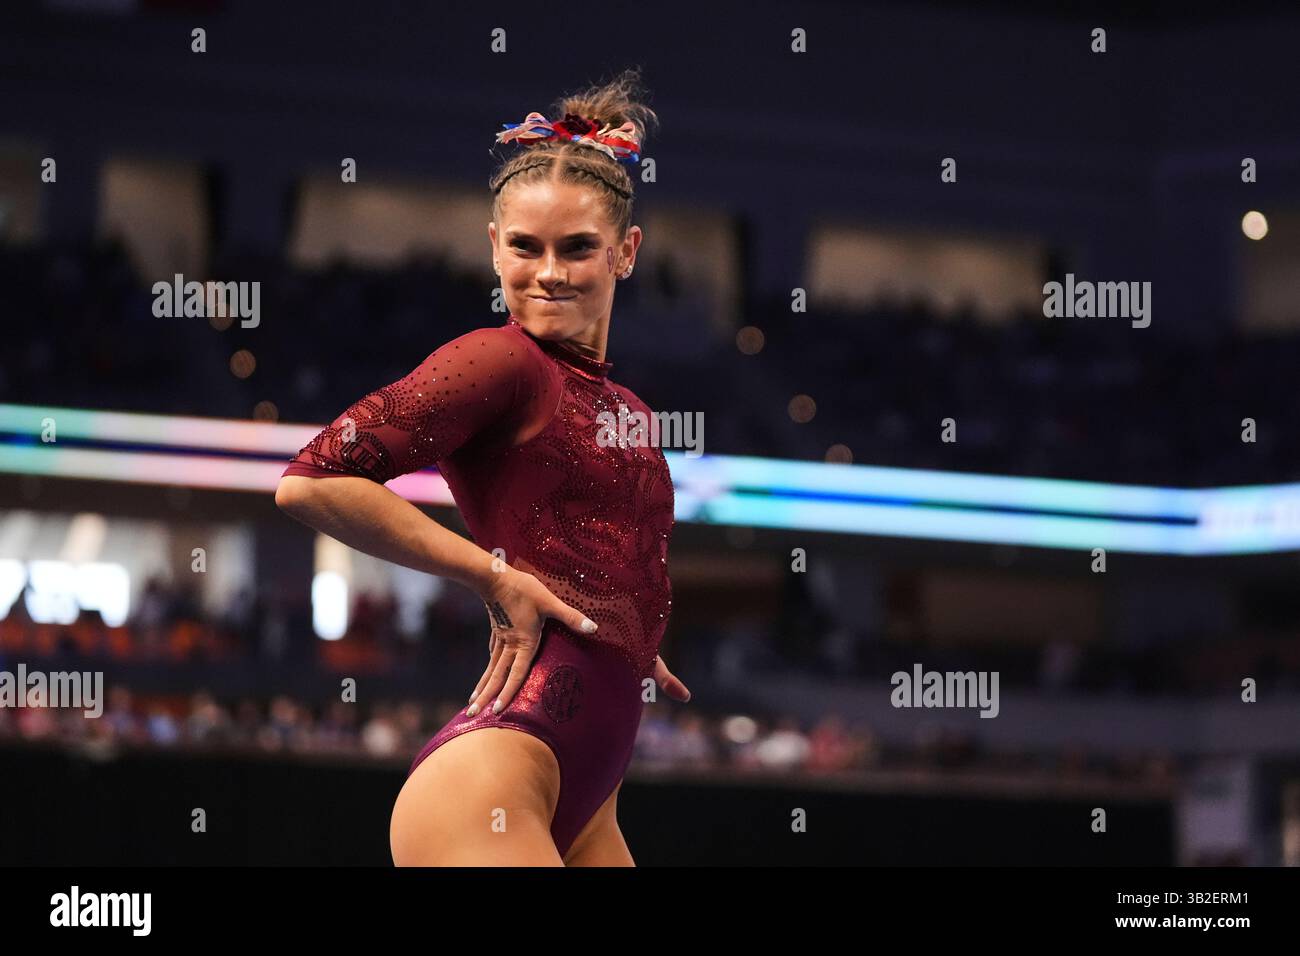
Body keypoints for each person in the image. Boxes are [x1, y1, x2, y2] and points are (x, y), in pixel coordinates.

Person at [276, 68, 690, 866]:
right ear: (494, 247)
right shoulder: (499, 364)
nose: (549, 273)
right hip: (491, 782)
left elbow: (598, 547)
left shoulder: (632, 410)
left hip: (592, 801)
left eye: (578, 249)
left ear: (626, 253)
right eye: (526, 248)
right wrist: (492, 577)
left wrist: (627, 631)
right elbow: (313, 481)